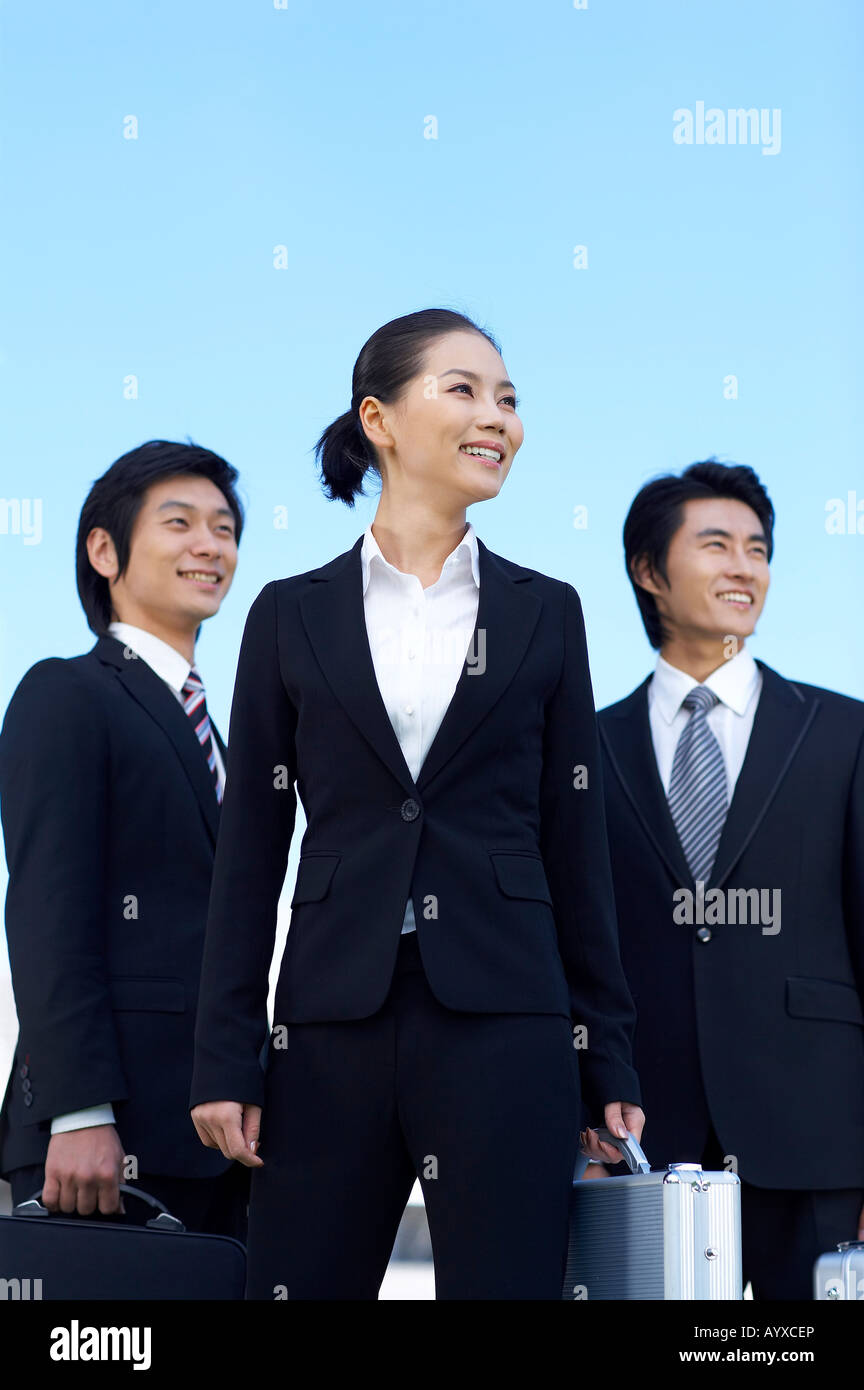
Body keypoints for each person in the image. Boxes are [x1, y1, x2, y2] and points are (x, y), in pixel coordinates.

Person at [189, 308, 644, 1300]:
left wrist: (608, 1060)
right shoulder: (286, 613)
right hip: (326, 1026)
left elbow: (579, 850)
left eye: (510, 399)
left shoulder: (547, 609)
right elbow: (251, 851)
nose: (499, 417)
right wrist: (225, 1053)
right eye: (466, 389)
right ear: (380, 418)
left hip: (510, 1024)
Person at [596, 460, 864, 1299]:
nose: (743, 566)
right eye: (715, 544)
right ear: (649, 570)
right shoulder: (584, 749)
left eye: (758, 548)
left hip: (818, 1132)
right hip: (641, 1136)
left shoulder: (844, 733)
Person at [0, 439, 250, 1240]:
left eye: (223, 527)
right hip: (103, 1139)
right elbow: (46, 912)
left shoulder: (229, 738)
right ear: (104, 551)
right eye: (179, 523)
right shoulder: (66, 693)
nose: (209, 545)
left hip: (221, 1138)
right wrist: (78, 1111)